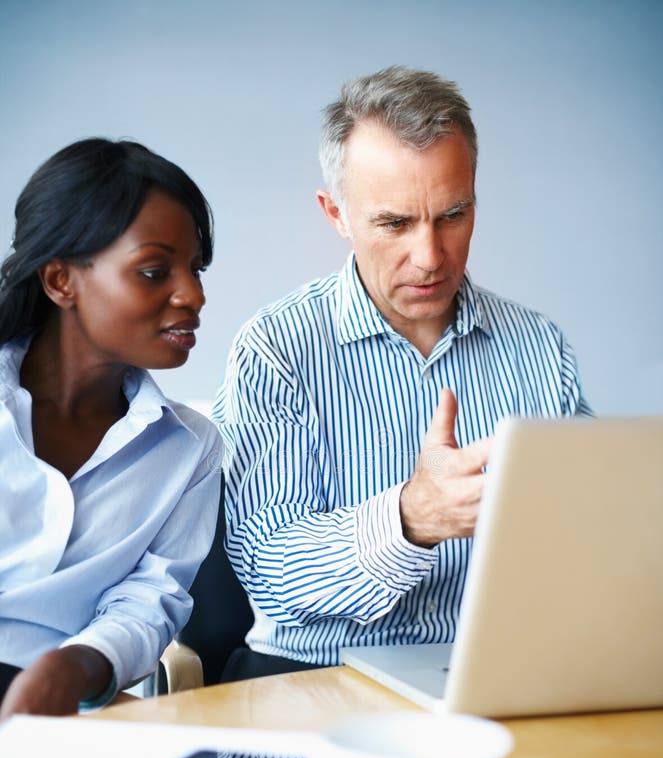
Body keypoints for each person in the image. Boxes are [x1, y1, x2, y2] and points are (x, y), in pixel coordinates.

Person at [214, 66, 592, 680]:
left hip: (490, 676)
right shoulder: (276, 346)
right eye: (394, 223)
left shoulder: (539, 347)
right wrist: (413, 518)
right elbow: (269, 569)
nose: (430, 257)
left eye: (453, 215)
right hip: (312, 675)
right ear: (336, 213)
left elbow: (585, 540)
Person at [0, 138, 222, 717]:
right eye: (154, 271)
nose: (194, 295)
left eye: (195, 269)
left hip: (59, 719)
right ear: (59, 281)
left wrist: (77, 665)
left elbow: (150, 601)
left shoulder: (188, 448)